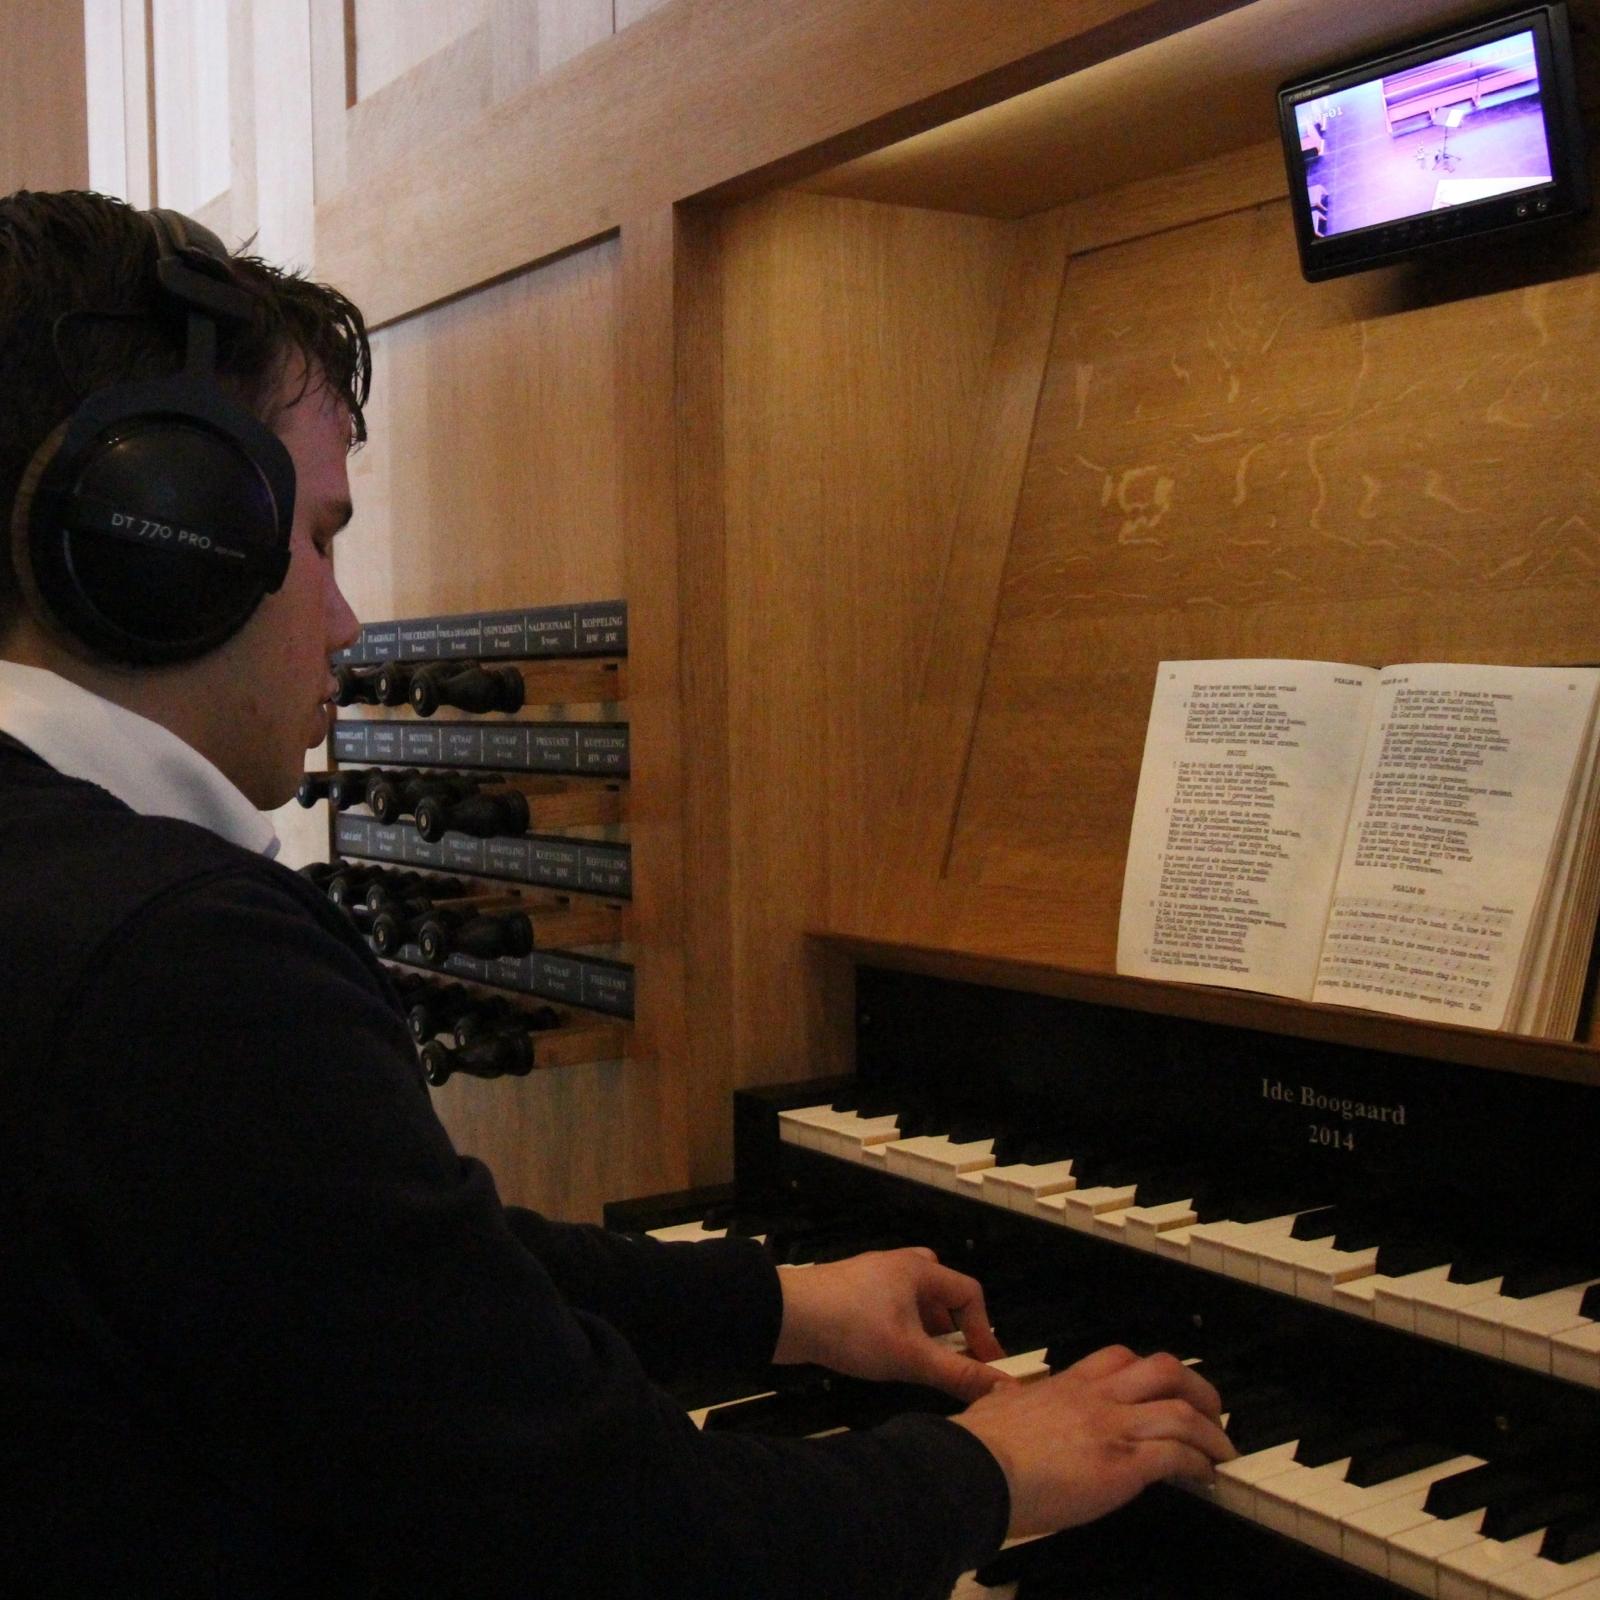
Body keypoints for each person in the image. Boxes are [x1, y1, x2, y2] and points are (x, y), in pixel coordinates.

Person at [0, 189, 1233, 1599]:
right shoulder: (174, 958)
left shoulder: (74, 903)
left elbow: (367, 1276)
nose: (345, 625)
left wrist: (778, 1305)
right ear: (165, 530)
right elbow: (603, 1538)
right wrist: (995, 1471)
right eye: (321, 539)